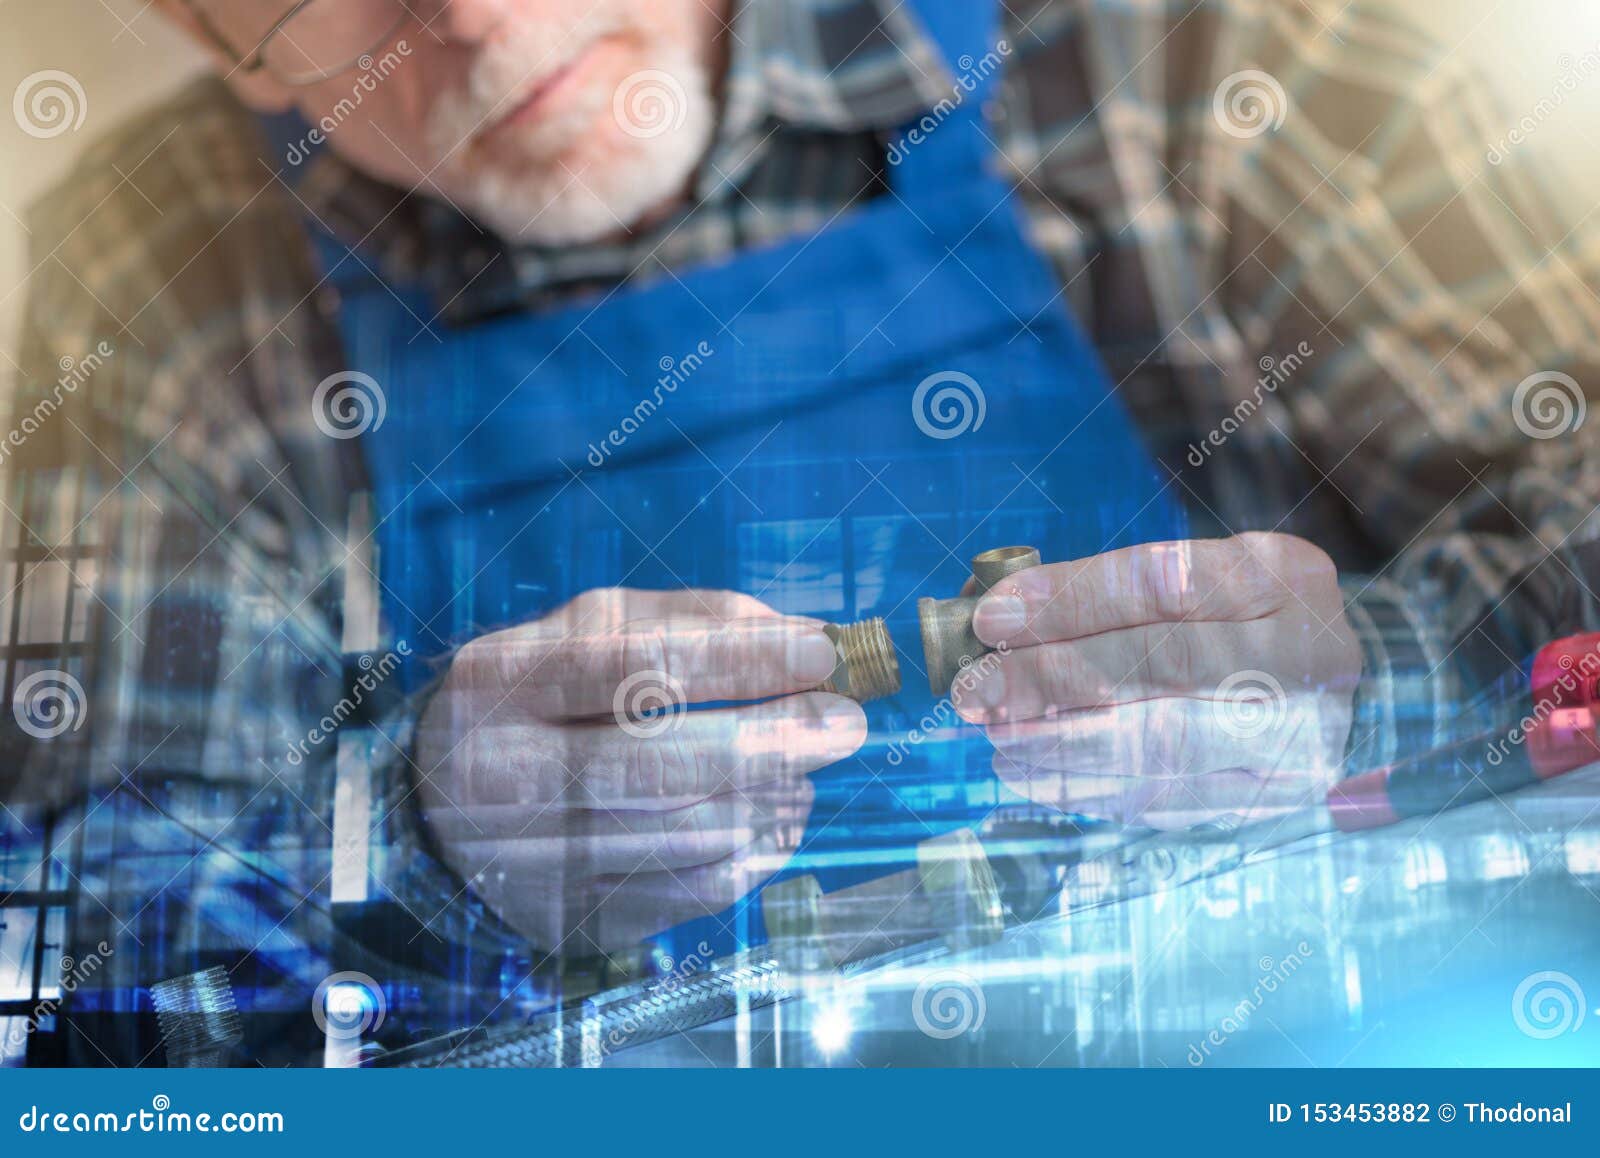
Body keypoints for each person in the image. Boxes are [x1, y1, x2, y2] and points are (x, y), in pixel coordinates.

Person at [5, 0, 1598, 1065]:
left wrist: (1367, 694)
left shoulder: (1193, 49)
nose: (475, 18)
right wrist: (423, 849)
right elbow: (76, 990)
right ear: (210, 37)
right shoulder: (158, 273)